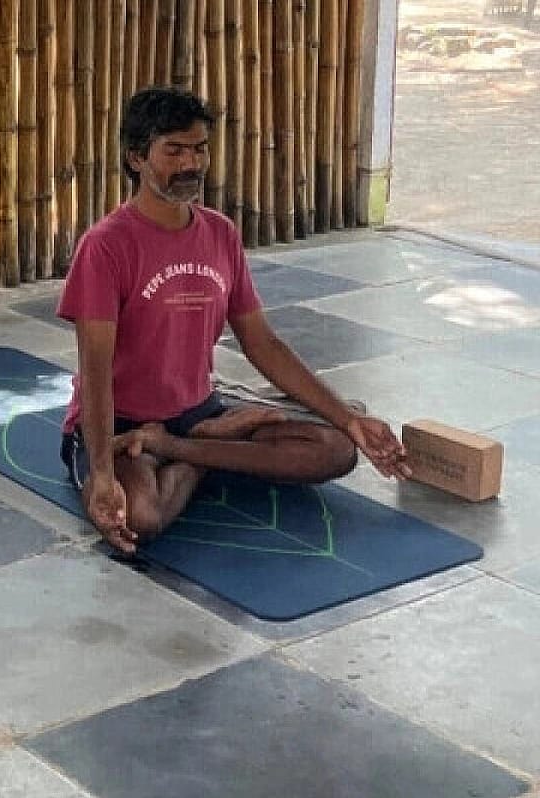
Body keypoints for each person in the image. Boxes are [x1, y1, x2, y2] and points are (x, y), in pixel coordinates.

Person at [58, 87, 410, 556]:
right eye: (175, 151)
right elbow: (96, 372)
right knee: (139, 516)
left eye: (200, 149)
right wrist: (102, 470)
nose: (191, 164)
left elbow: (262, 343)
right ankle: (207, 451)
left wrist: (349, 419)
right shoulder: (105, 247)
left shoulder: (220, 233)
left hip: (198, 409)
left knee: (337, 449)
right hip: (122, 422)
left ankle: (182, 448)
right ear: (137, 158)